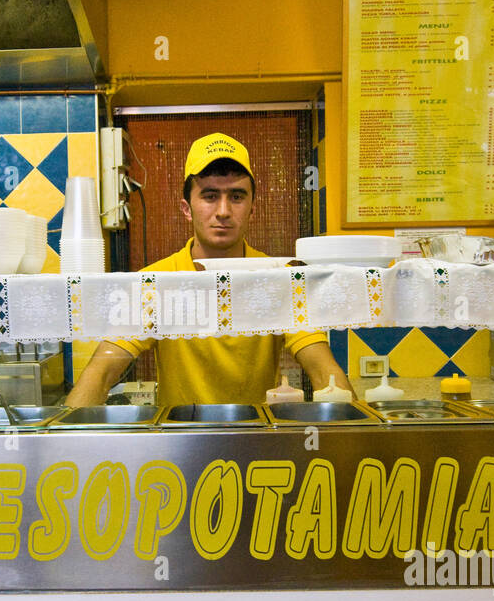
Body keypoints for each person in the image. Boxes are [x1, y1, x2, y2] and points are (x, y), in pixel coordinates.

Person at [65, 132, 354, 406]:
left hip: (255, 445)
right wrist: (66, 447)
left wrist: (355, 439)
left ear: (253, 208)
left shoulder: (279, 277)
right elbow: (101, 372)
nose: (224, 211)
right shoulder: (155, 282)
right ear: (186, 208)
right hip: (180, 445)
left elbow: (323, 372)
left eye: (237, 197)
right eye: (210, 196)